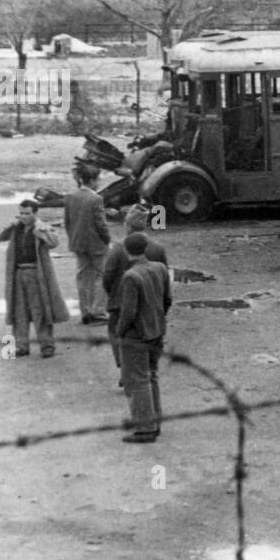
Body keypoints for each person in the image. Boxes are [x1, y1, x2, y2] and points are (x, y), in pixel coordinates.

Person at [0, 199, 70, 358]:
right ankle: (21, 346)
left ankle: (46, 345)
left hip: (36, 273)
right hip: (18, 273)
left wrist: (40, 229)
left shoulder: (41, 227)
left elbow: (54, 242)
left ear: (35, 213)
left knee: (40, 310)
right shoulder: (16, 228)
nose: (23, 216)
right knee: (18, 311)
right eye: (21, 213)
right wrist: (10, 223)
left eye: (27, 213)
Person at [115, 232, 171, 443]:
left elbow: (128, 313)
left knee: (137, 381)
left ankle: (145, 428)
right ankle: (155, 422)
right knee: (152, 377)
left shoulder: (130, 276)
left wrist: (119, 332)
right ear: (145, 248)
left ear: (126, 251)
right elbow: (168, 300)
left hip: (136, 336)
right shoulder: (160, 268)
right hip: (156, 332)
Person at [102, 203, 168, 375]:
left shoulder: (118, 248)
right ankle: (148, 368)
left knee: (117, 332)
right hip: (151, 303)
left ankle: (125, 367)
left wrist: (113, 295)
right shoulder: (158, 248)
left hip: (121, 302)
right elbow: (164, 276)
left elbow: (108, 276)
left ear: (128, 225)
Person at [64, 163, 111, 325]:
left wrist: (73, 239)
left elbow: (67, 222)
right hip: (96, 244)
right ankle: (98, 311)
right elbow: (101, 224)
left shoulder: (70, 197)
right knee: (102, 275)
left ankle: (85, 311)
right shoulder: (96, 199)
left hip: (78, 243)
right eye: (98, 179)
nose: (99, 183)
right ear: (91, 180)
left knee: (83, 276)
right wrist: (107, 240)